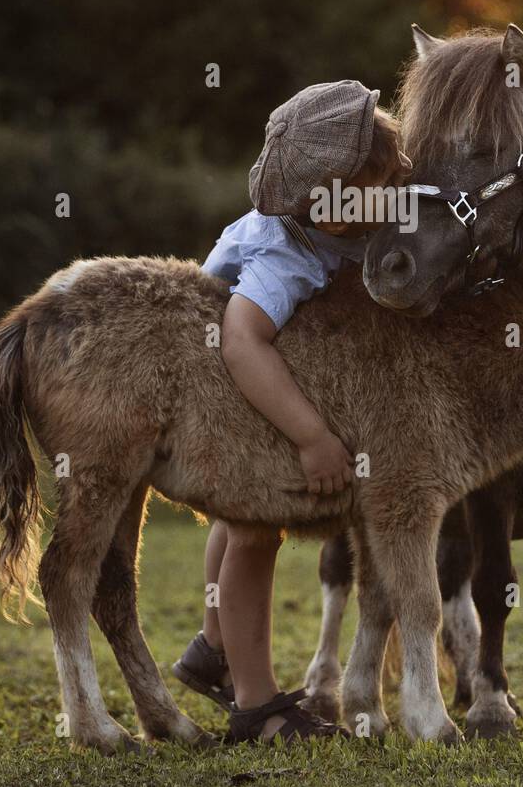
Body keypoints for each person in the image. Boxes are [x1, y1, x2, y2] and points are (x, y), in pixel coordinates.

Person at [173, 80, 409, 743]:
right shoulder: (288, 251)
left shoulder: (381, 187)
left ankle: (213, 648)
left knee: (236, 517)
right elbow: (241, 338)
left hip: (277, 369)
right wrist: (311, 437)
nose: (318, 210)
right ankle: (256, 706)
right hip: (236, 378)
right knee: (254, 527)